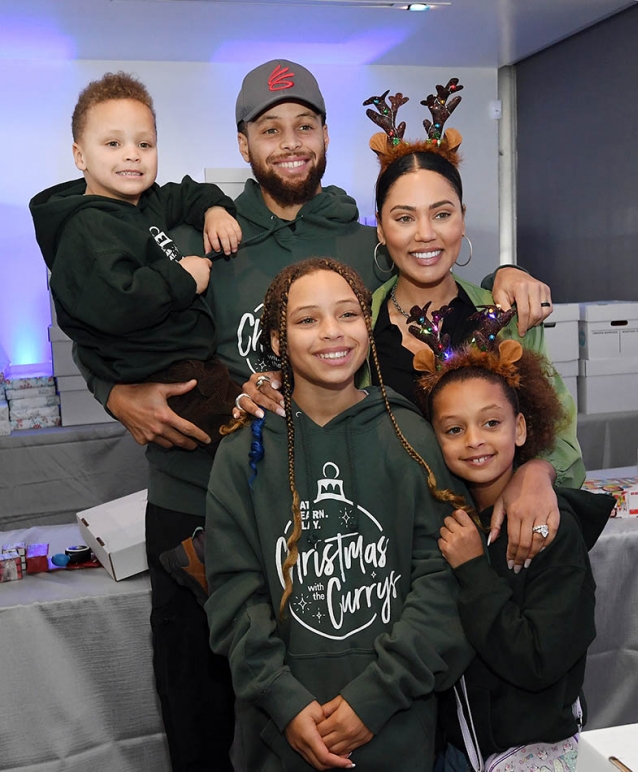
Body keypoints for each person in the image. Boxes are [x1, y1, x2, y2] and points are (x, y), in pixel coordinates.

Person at [76, 61, 554, 770]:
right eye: (270, 129)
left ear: (328, 135)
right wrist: (112, 390)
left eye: (305, 126)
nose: (290, 142)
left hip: (347, 496)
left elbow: (433, 267)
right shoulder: (204, 232)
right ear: (243, 143)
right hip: (199, 494)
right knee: (206, 709)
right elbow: (103, 304)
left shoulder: (362, 241)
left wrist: (505, 276)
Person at [240, 77, 585, 572]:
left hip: (503, 553)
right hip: (389, 561)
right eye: (404, 218)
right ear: (380, 227)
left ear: (462, 219)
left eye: (441, 214)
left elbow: (563, 441)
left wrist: (537, 472)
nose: (425, 234)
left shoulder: (509, 318)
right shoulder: (357, 332)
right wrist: (272, 385)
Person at [204, 257, 473, 772]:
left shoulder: (410, 437)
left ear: (367, 326)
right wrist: (284, 700)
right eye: (307, 319)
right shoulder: (243, 453)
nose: (332, 332)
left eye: (348, 314)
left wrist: (376, 696)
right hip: (281, 737)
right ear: (277, 341)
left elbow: (441, 579)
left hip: (397, 727)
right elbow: (234, 594)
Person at [411, 335, 612, 770]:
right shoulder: (450, 523)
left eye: (491, 423)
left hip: (528, 752)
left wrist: (473, 569)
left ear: (519, 428)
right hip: (457, 749)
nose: (474, 440)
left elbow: (538, 660)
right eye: (454, 429)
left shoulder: (552, 531)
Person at [29, 71, 243, 453]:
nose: (132, 154)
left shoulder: (148, 202)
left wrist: (214, 209)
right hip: (157, 370)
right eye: (113, 143)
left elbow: (189, 193)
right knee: (248, 438)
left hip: (186, 357)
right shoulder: (86, 228)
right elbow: (118, 302)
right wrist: (183, 277)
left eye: (144, 143)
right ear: (80, 156)